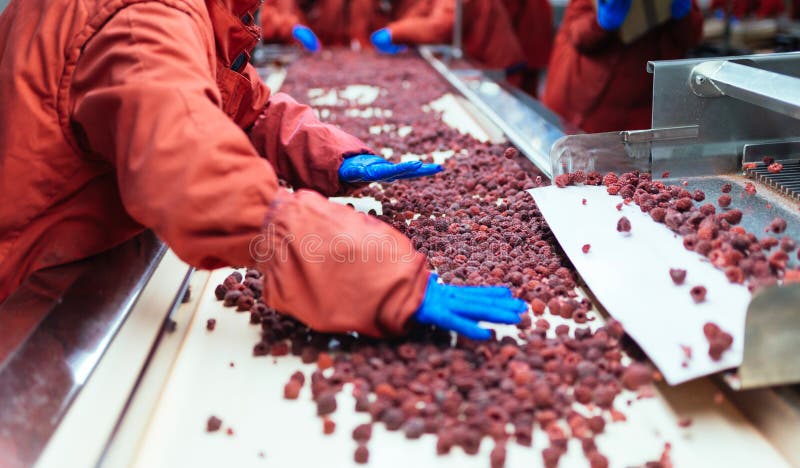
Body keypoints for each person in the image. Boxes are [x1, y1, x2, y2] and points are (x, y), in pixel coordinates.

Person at [0, 0, 528, 340]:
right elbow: (192, 173)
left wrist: (333, 156)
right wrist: (375, 274)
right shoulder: (145, 18)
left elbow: (241, 103)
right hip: (32, 269)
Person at [542, 0, 703, 133]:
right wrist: (599, 23)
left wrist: (684, 16)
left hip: (642, 101)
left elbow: (691, 37)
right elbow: (578, 35)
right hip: (587, 99)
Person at [367, 0, 536, 72]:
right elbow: (424, 8)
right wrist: (402, 31)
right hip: (474, 60)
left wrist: (395, 32)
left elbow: (441, 27)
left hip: (494, 65)